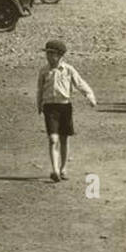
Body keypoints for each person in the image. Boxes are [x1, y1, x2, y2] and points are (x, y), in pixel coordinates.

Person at [37, 40, 97, 182]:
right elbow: (39, 89)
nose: (49, 57)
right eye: (47, 54)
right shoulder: (44, 71)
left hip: (65, 107)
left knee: (64, 139)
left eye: (52, 54)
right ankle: (55, 170)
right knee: (53, 139)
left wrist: (89, 95)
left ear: (60, 56)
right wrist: (39, 104)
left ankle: (63, 168)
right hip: (49, 107)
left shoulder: (68, 70)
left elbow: (80, 83)